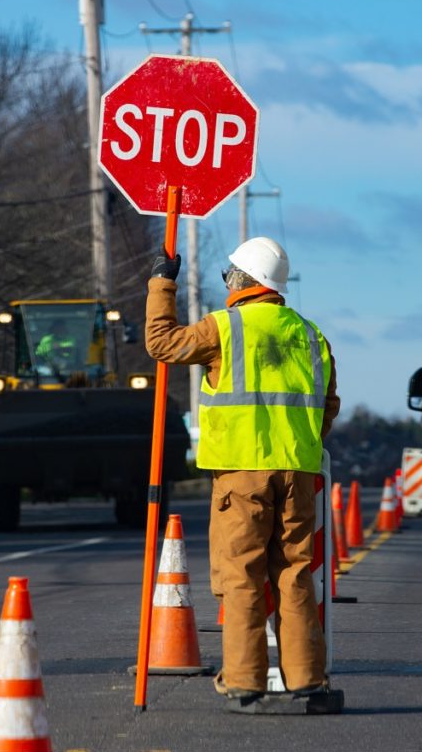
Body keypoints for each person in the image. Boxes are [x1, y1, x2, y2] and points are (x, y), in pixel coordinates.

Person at [145, 236, 340, 708]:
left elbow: (160, 344)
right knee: (294, 575)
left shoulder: (222, 328)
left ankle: (245, 680)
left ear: (240, 280)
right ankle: (307, 680)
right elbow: (327, 407)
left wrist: (161, 283)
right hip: (296, 471)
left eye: (228, 274)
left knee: (242, 576)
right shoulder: (311, 334)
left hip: (241, 473)